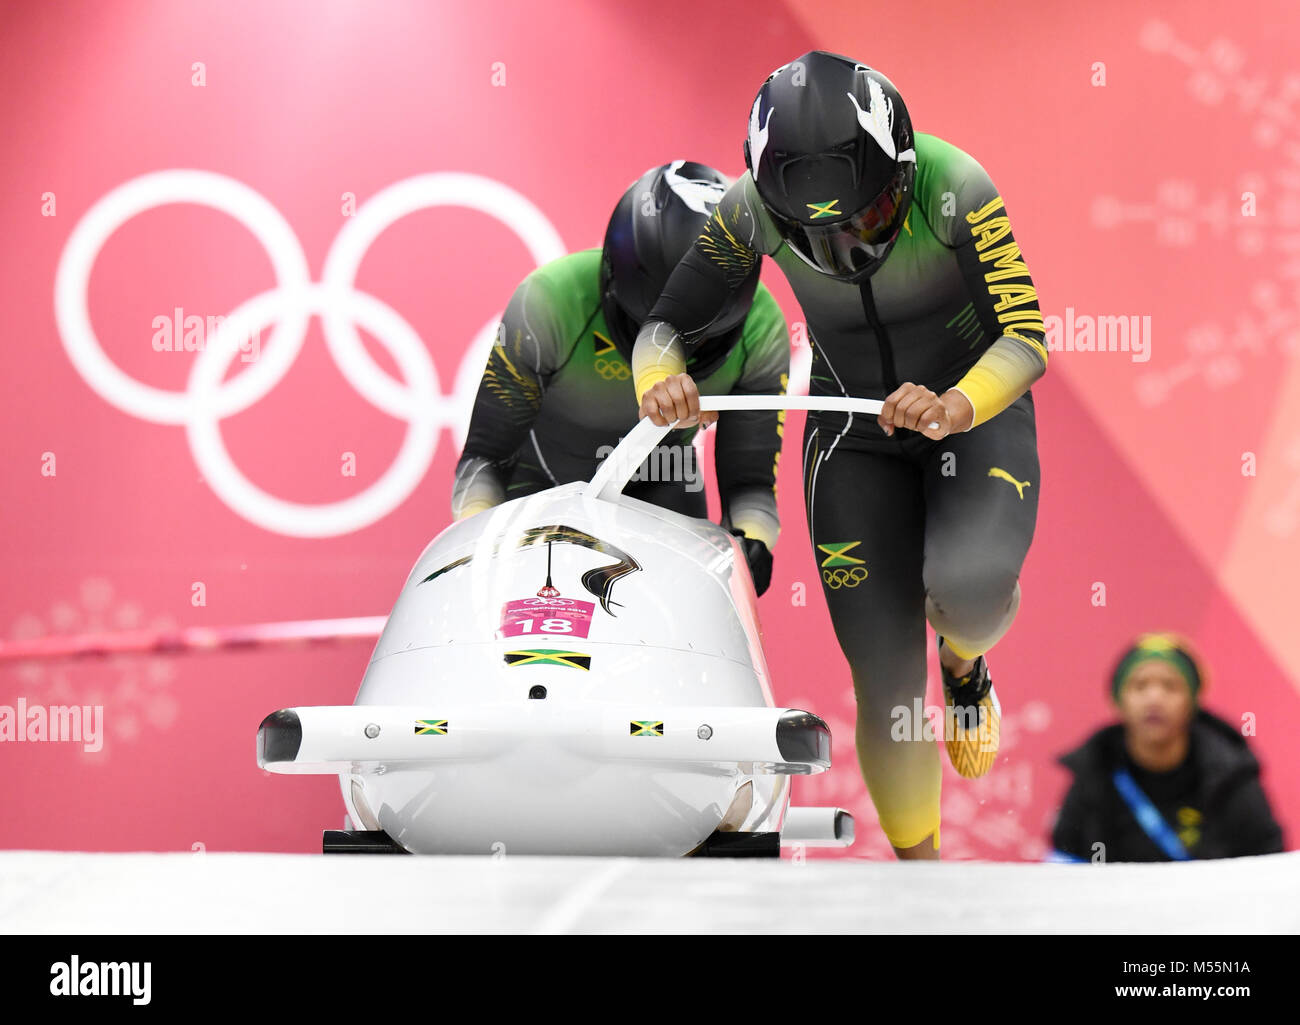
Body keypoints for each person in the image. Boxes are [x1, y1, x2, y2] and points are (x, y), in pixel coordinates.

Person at [633, 52, 1046, 859]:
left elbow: (1025, 336)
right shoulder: (747, 210)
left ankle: (964, 663)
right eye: (815, 233)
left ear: (902, 172)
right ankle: (922, 884)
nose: (847, 244)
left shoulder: (957, 186)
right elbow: (662, 328)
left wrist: (955, 403)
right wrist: (661, 378)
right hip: (851, 432)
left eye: (867, 217)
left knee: (968, 592)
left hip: (971, 413)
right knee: (886, 681)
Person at [453, 161, 789, 594]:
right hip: (537, 486)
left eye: (706, 340)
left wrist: (751, 548)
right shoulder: (550, 301)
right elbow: (483, 461)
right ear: (614, 287)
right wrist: (480, 543)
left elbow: (750, 484)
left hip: (663, 485)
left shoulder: (763, 328)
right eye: (652, 330)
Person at [1049, 634, 1284, 862]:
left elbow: (1267, 870)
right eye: (1139, 686)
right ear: (1117, 701)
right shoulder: (1094, 773)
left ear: (1193, 703)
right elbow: (1065, 869)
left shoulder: (1232, 778)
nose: (1154, 699)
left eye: (1170, 687)